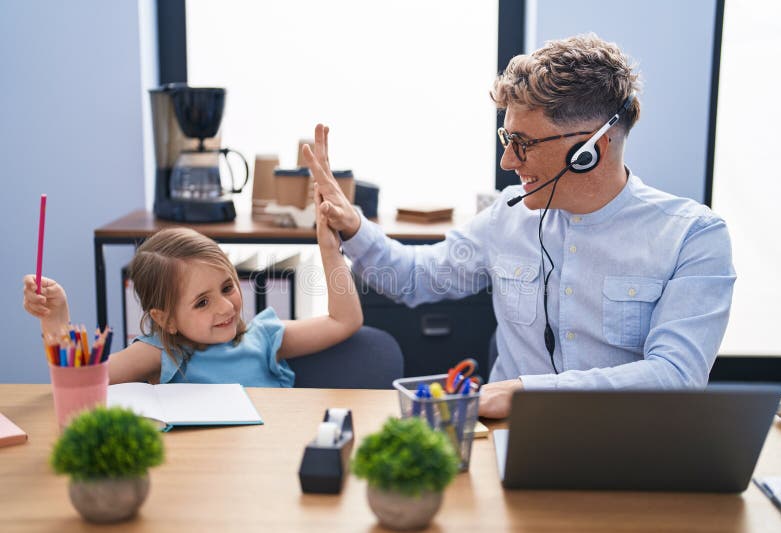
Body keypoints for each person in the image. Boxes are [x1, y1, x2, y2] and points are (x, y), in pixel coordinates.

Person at [305, 33, 735, 418]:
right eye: (506, 140)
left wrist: (527, 392)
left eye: (523, 144)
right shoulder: (507, 217)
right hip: (507, 439)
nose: (507, 162)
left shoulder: (693, 236)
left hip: (625, 444)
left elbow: (677, 375)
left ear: (590, 149)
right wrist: (353, 224)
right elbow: (414, 278)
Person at [22, 180, 363, 386]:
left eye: (227, 287)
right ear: (164, 318)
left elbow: (344, 321)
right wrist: (55, 319)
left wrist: (330, 249)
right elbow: (78, 382)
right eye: (202, 302)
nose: (226, 306)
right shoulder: (164, 351)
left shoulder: (265, 336)